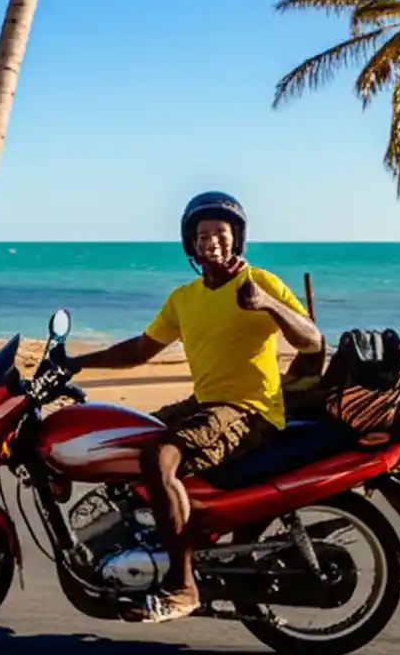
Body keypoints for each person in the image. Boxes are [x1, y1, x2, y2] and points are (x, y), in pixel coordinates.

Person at [66, 191, 323, 623]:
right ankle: (153, 534)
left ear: (236, 239)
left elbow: (312, 340)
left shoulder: (259, 283)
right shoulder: (184, 299)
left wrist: (269, 305)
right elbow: (141, 348)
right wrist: (75, 363)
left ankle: (184, 587)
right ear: (191, 243)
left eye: (221, 233)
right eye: (203, 234)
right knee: (128, 434)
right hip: (205, 403)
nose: (212, 241)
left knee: (158, 457)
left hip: (249, 408)